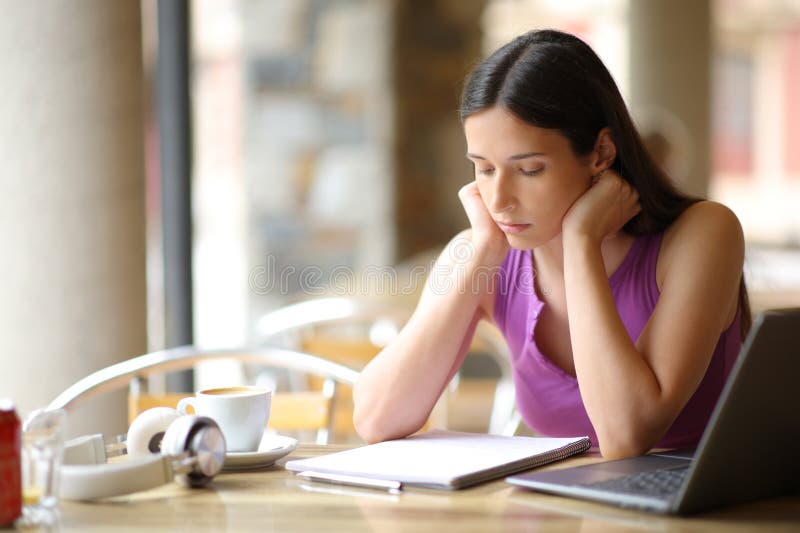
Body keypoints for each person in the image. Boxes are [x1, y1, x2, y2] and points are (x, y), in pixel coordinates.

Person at [352, 29, 749, 459]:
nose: (499, 200)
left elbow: (626, 435)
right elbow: (376, 419)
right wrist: (483, 250)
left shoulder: (703, 234)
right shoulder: (488, 253)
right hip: (561, 511)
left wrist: (582, 242)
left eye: (530, 170)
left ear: (600, 152)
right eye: (484, 169)